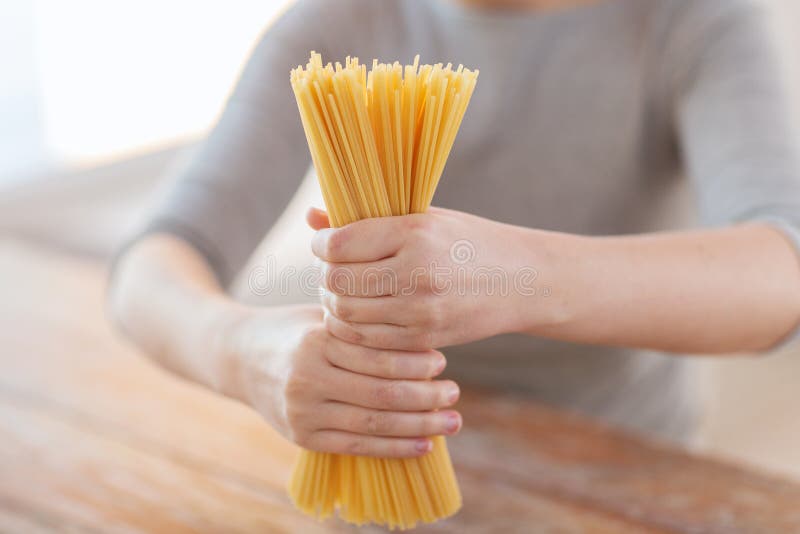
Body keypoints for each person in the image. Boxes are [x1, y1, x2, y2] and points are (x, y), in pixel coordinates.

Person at [109, 0, 800, 458]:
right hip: (376, 472)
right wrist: (243, 351)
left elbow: (781, 270)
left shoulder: (692, 21)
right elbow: (149, 267)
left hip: (621, 463)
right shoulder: (336, 25)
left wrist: (519, 278)